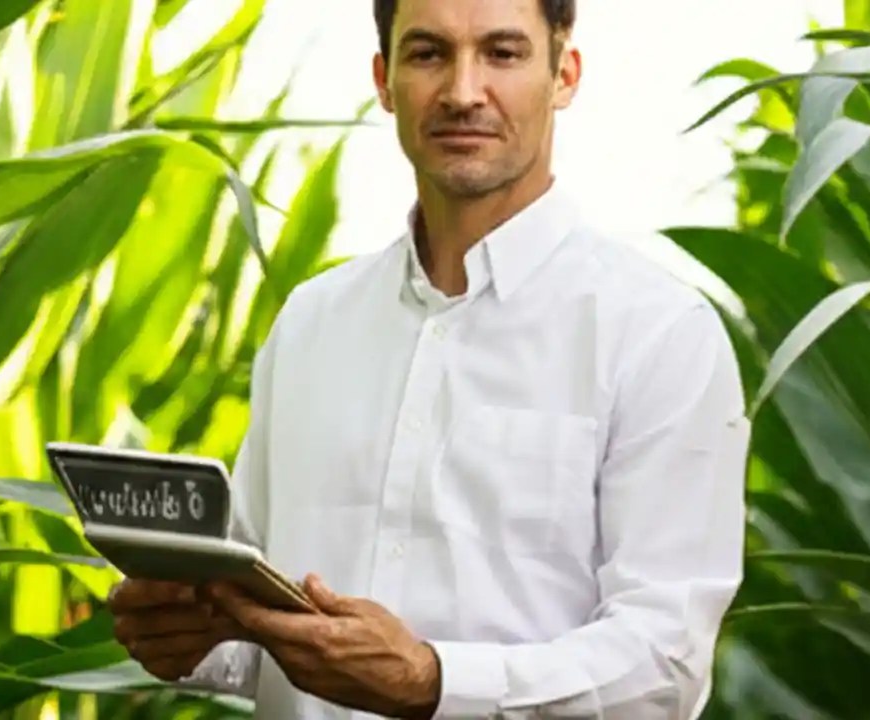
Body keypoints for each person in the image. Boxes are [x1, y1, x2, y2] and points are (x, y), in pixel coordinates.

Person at [108, 0, 751, 717]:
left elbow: (664, 661)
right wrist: (194, 638)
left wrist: (433, 680)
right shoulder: (311, 324)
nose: (463, 92)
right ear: (384, 80)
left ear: (563, 75)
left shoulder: (661, 334)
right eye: (428, 54)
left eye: (502, 54)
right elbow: (263, 611)